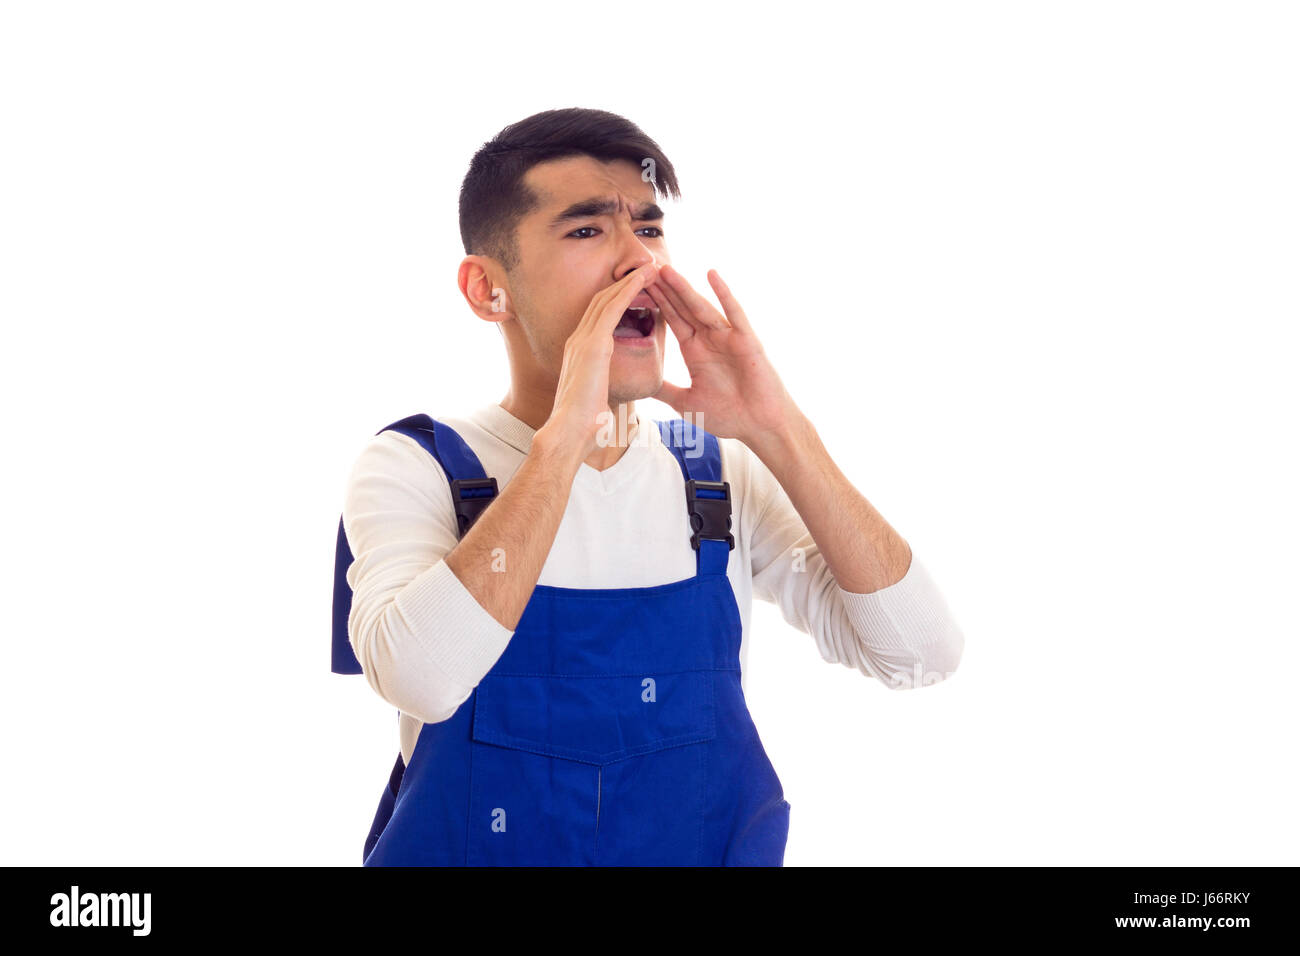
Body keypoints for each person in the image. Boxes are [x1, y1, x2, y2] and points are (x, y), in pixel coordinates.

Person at [337, 107, 965, 866]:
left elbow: (920, 654)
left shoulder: (714, 476)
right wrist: (563, 442)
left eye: (649, 227)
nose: (639, 261)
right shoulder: (416, 466)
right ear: (486, 289)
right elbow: (422, 680)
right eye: (587, 230)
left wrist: (778, 429)